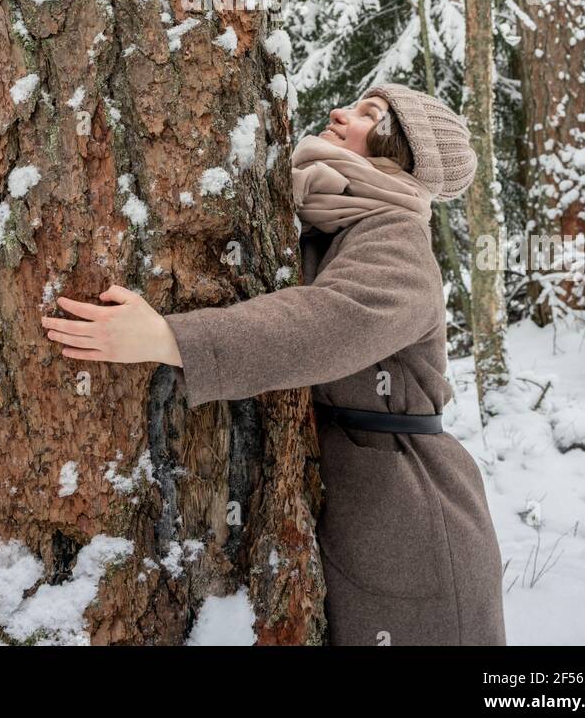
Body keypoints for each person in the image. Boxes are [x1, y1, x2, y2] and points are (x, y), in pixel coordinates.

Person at [41, 82, 507, 646]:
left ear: (402, 152)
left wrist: (172, 338)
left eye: (369, 114)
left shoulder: (398, 235)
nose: (339, 112)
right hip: (366, 509)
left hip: (411, 518)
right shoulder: (334, 220)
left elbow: (334, 321)